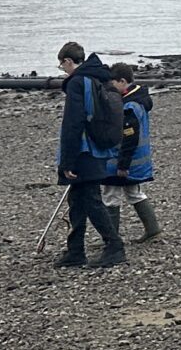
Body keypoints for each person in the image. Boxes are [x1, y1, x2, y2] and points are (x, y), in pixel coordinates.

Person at [54, 40, 127, 268]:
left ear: (68, 61)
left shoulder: (78, 82)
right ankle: (75, 250)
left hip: (84, 150)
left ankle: (114, 246)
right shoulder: (99, 78)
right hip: (99, 146)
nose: (62, 70)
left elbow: (72, 123)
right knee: (77, 199)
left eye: (61, 66)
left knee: (91, 200)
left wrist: (66, 160)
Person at [108, 62, 160, 241]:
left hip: (123, 161)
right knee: (133, 193)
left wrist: (122, 164)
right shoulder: (140, 100)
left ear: (122, 81)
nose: (110, 88)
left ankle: (111, 238)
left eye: (112, 83)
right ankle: (152, 229)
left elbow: (129, 139)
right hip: (137, 160)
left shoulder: (129, 107)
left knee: (111, 196)